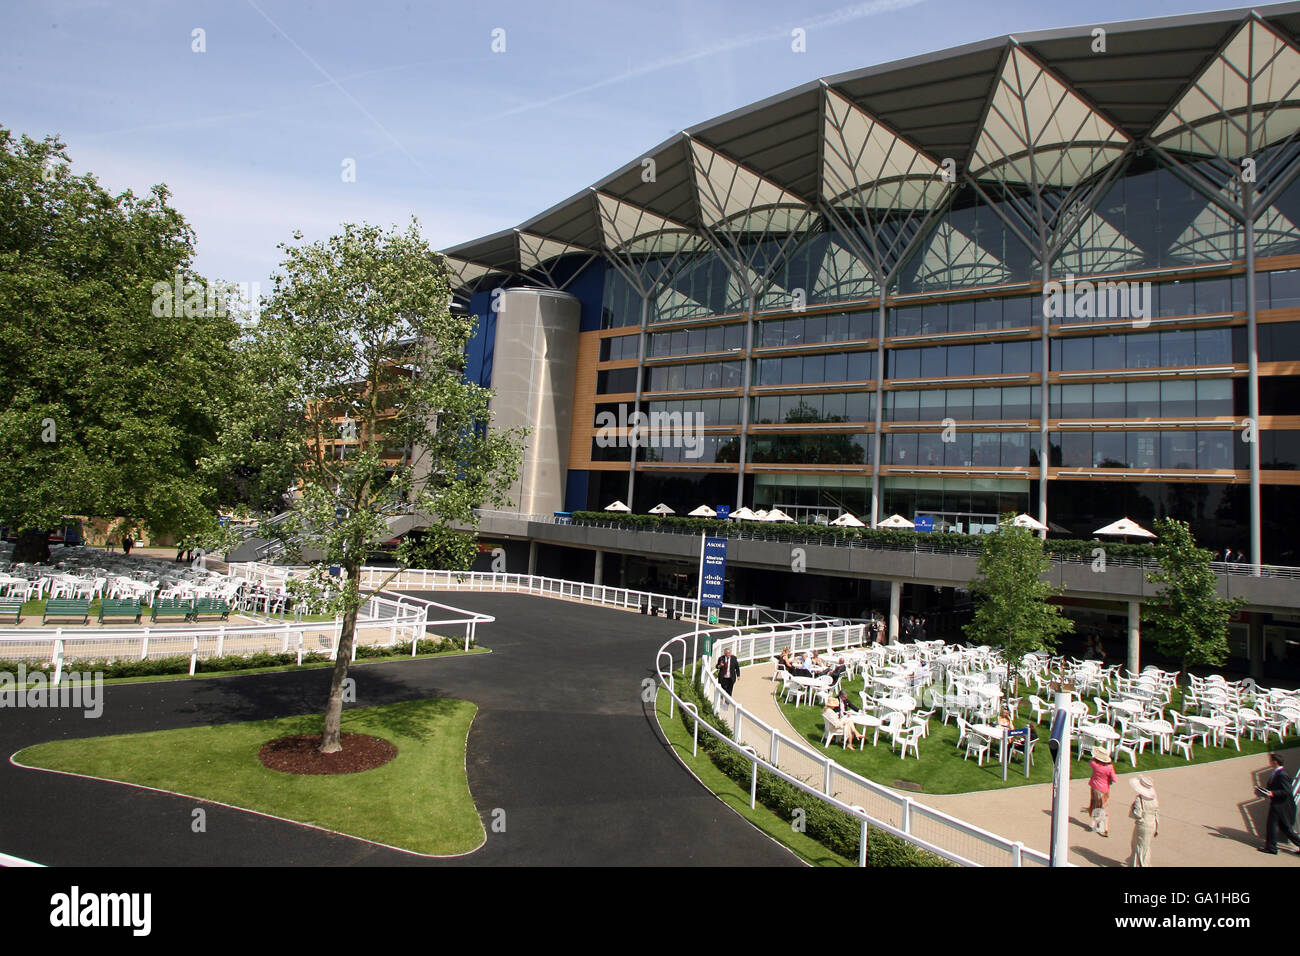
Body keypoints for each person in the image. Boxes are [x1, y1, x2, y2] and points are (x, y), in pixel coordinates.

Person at [1255, 752, 1300, 855]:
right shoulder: (1277, 773)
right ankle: (1271, 847)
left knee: (1272, 825)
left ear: (1275, 762)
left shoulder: (1282, 774)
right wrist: (1262, 790)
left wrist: (1272, 793)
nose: (1269, 762)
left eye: (1271, 760)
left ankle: (1271, 848)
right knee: (1285, 828)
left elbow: (1287, 791)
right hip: (1279, 804)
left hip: (1281, 805)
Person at [1128, 776, 1159, 866]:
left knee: (1138, 845)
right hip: (1152, 823)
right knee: (1146, 846)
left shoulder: (1139, 799)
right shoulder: (1154, 798)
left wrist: (1133, 808)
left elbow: (1138, 814)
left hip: (1143, 824)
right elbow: (1156, 811)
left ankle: (1138, 864)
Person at [1088, 745, 1118, 836]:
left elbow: (1091, 761)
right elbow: (1115, 779)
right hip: (1104, 790)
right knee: (1104, 808)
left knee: (1094, 805)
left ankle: (1094, 823)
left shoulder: (1094, 764)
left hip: (1094, 787)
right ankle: (1104, 828)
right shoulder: (1109, 768)